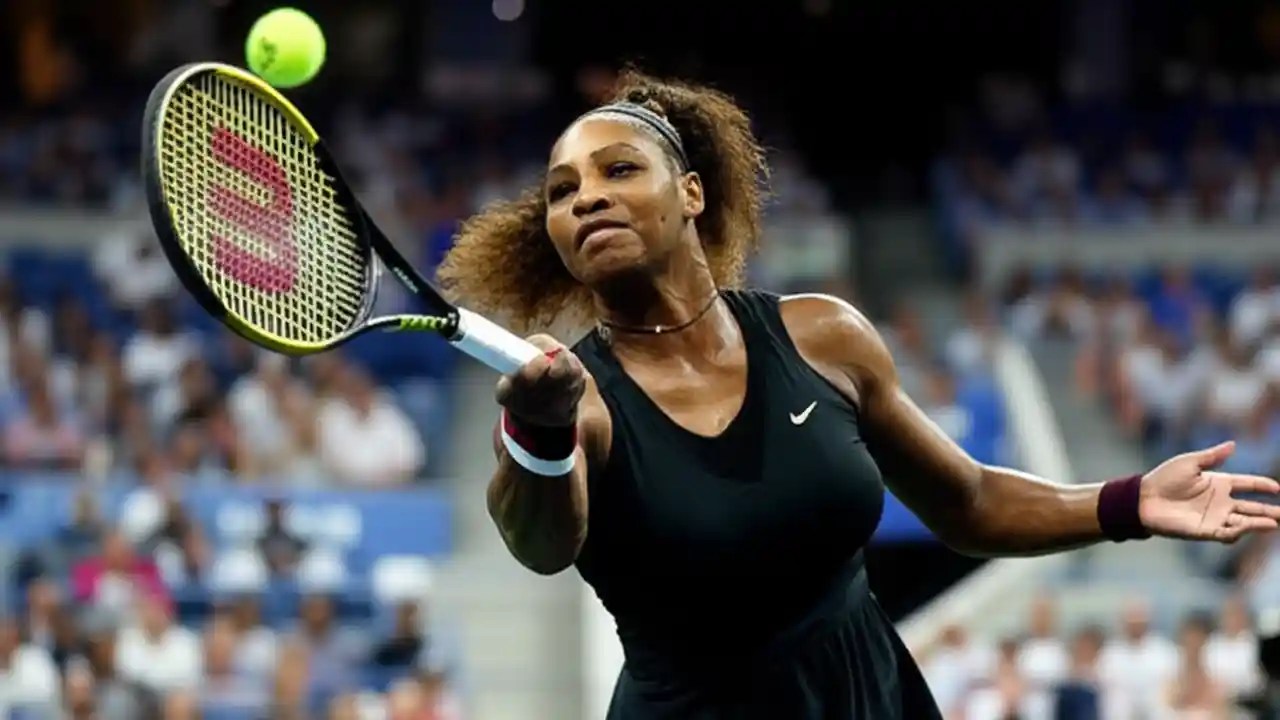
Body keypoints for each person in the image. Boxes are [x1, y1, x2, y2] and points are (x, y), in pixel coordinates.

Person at [437, 69, 1280, 719]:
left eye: (618, 169)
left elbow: (970, 500)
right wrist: (537, 436)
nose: (585, 195)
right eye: (560, 189)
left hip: (872, 697)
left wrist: (1130, 501)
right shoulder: (576, 402)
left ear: (691, 193)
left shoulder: (824, 336)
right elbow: (540, 545)